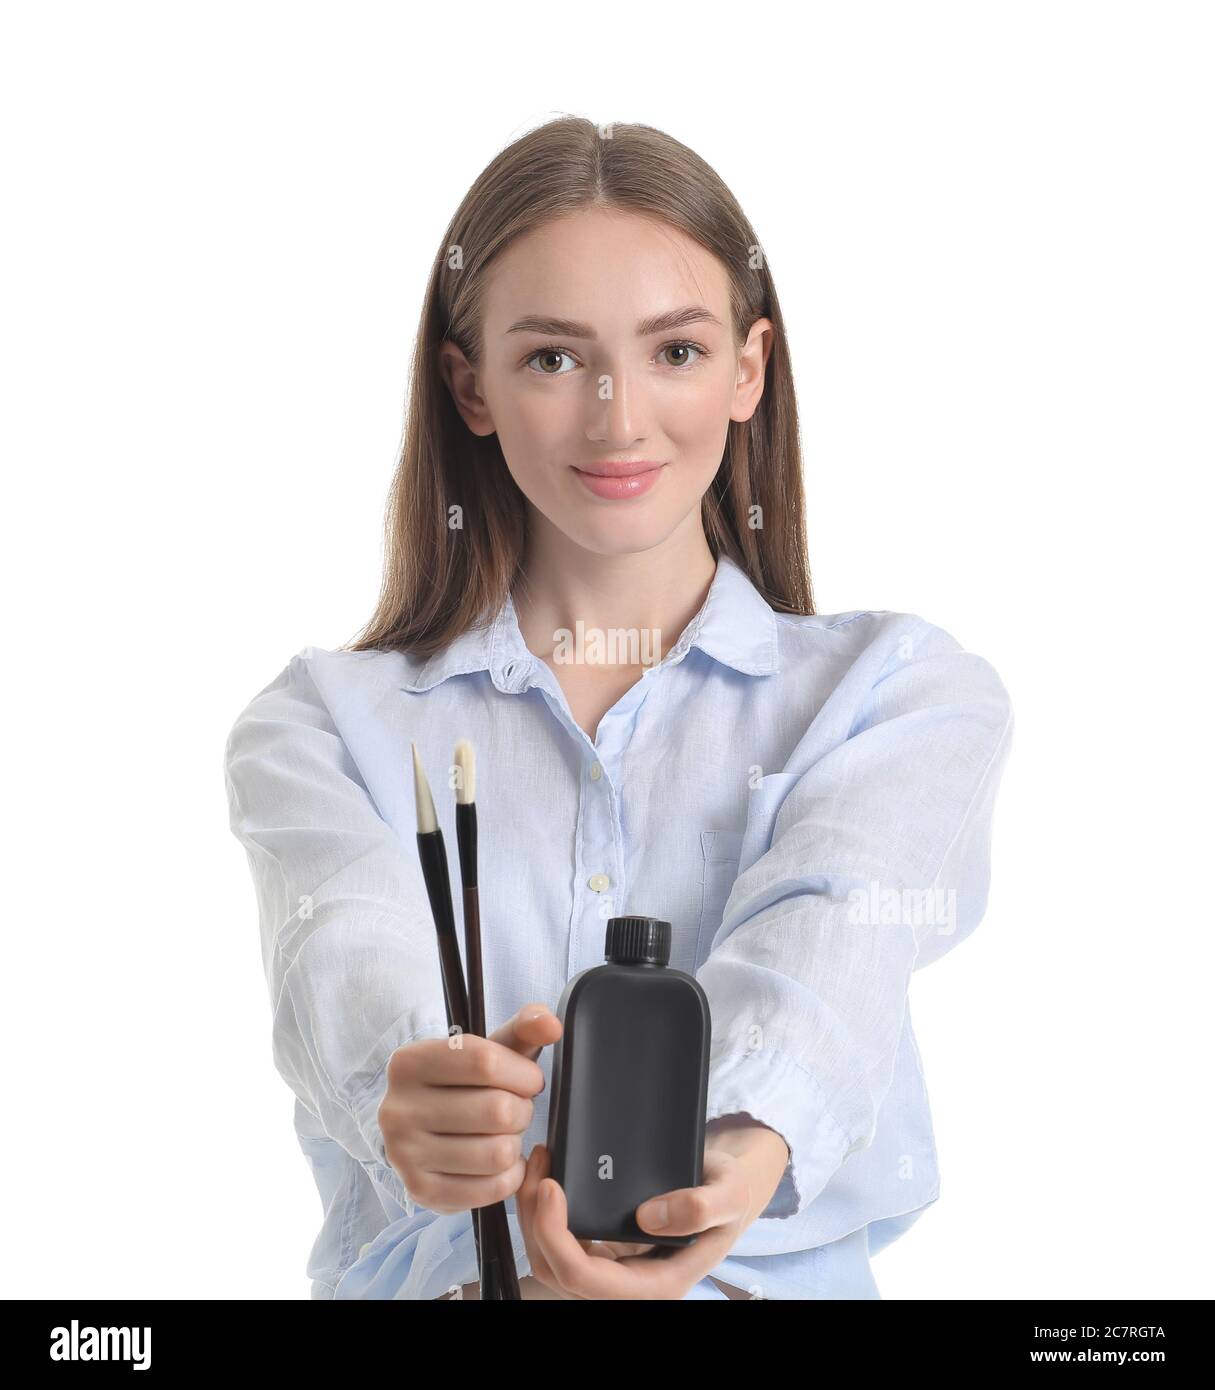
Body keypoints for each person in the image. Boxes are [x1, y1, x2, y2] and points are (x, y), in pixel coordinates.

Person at [223, 115, 1014, 1300]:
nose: (618, 419)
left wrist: (725, 1164)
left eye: (676, 352)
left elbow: (829, 947)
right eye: (552, 358)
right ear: (469, 385)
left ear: (751, 368)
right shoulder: (322, 728)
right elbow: (349, 960)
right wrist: (422, 1090)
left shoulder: (902, 697)